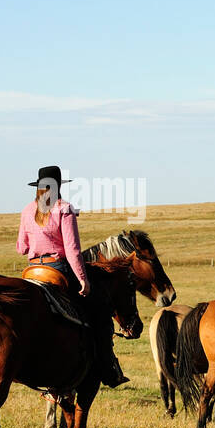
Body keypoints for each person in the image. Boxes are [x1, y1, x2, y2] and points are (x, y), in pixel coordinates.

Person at [18, 165, 127, 387]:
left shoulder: (27, 210)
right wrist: (83, 280)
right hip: (57, 268)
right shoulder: (64, 208)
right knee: (100, 310)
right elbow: (72, 250)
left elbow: (21, 247)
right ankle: (108, 367)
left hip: (32, 269)